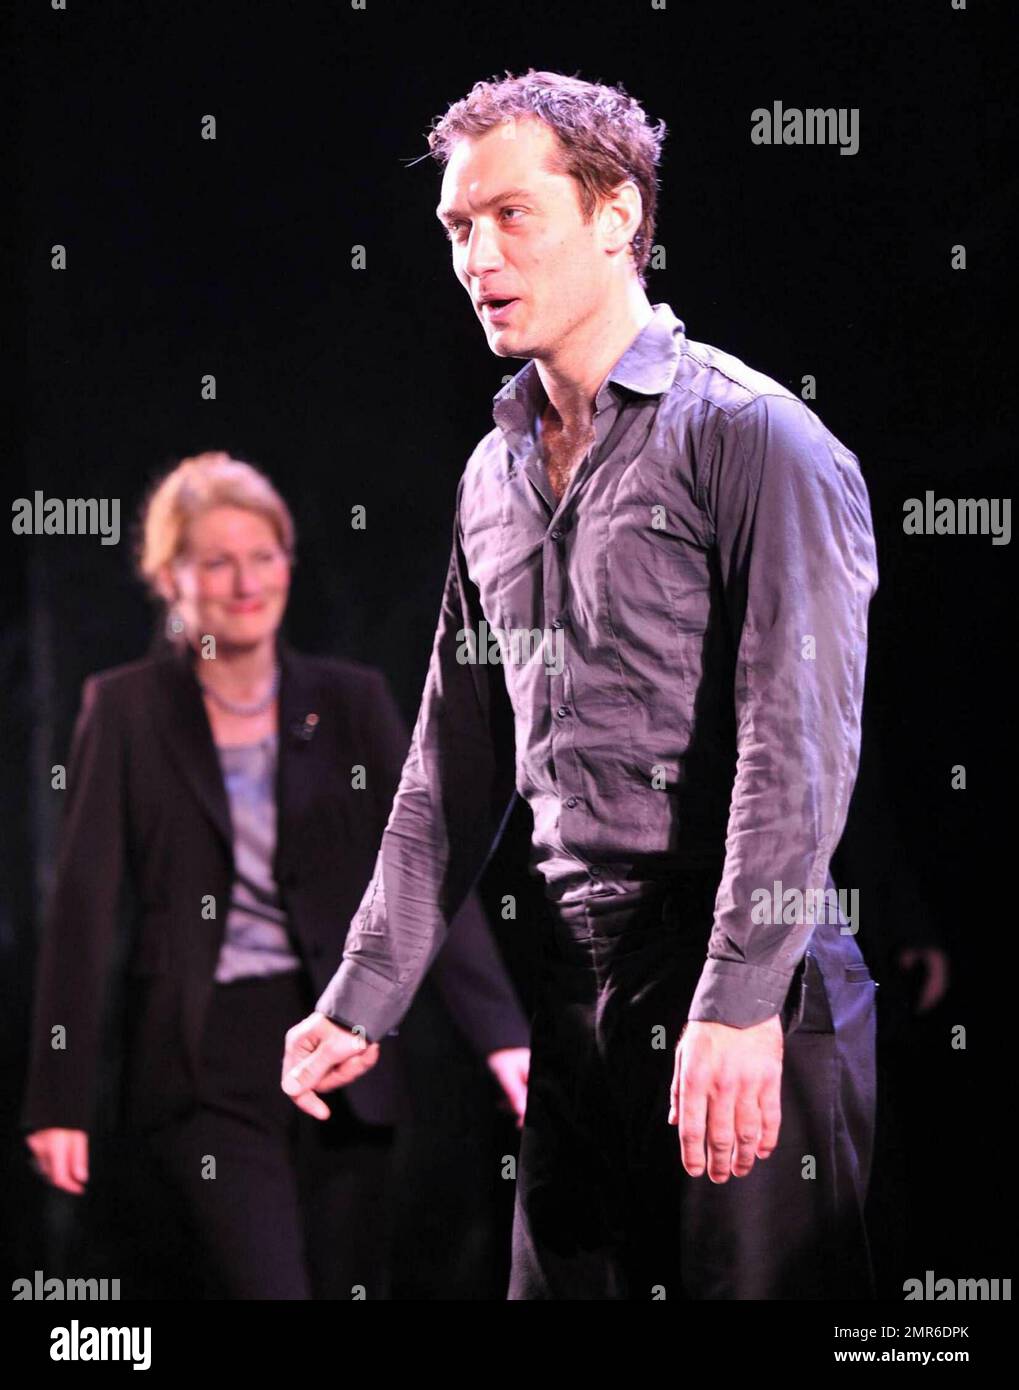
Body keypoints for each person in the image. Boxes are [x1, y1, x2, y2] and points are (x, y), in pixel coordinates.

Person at [281, 69, 880, 1300]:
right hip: (576, 987)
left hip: (742, 976)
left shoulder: (752, 436)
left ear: (616, 217)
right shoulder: (491, 475)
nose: (474, 255)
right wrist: (364, 993)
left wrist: (737, 1001)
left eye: (510, 215)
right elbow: (453, 759)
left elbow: (796, 743)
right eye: (456, 226)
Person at [21, 451, 530, 1299]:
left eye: (263, 556)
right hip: (203, 1059)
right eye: (216, 561)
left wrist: (502, 1034)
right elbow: (82, 910)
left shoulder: (351, 699)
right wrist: (57, 1099)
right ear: (168, 577)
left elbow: (428, 866)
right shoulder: (127, 709)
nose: (245, 581)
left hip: (345, 1038)